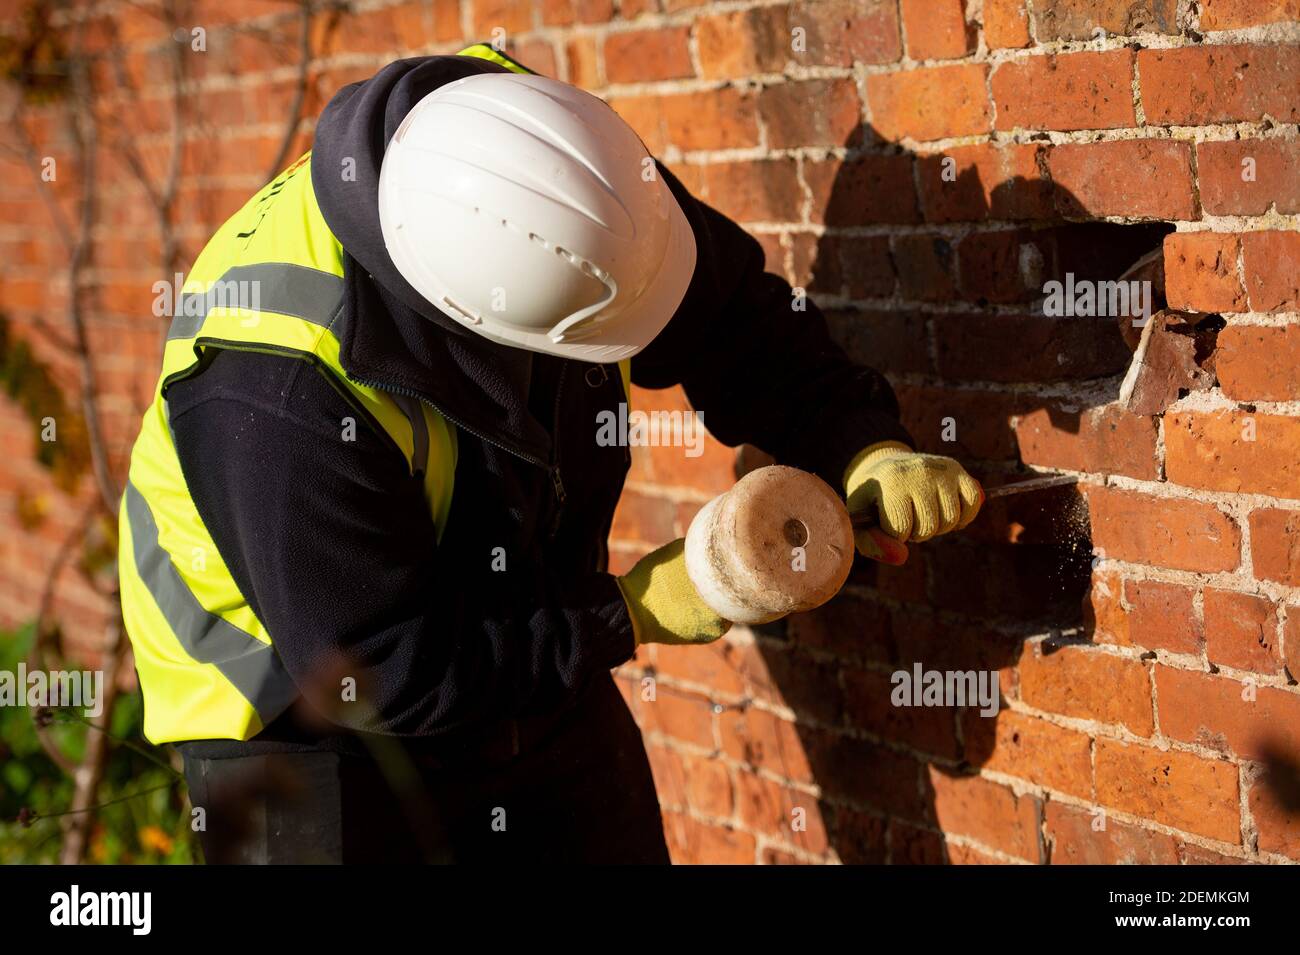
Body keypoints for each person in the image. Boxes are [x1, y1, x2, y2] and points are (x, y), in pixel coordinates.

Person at [117, 44, 982, 864]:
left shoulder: (549, 163)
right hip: (283, 721)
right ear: (479, 328)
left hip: (508, 631)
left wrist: (855, 442)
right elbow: (380, 666)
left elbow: (722, 317)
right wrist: (632, 612)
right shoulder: (279, 390)